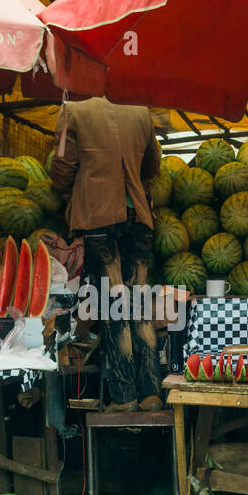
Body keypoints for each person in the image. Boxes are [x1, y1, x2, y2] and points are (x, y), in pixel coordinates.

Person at [50, 96, 163, 413]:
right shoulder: (142, 110)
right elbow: (152, 165)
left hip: (99, 219)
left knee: (115, 306)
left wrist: (67, 187)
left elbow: (62, 165)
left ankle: (124, 396)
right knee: (139, 304)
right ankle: (151, 394)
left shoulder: (73, 111)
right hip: (139, 218)